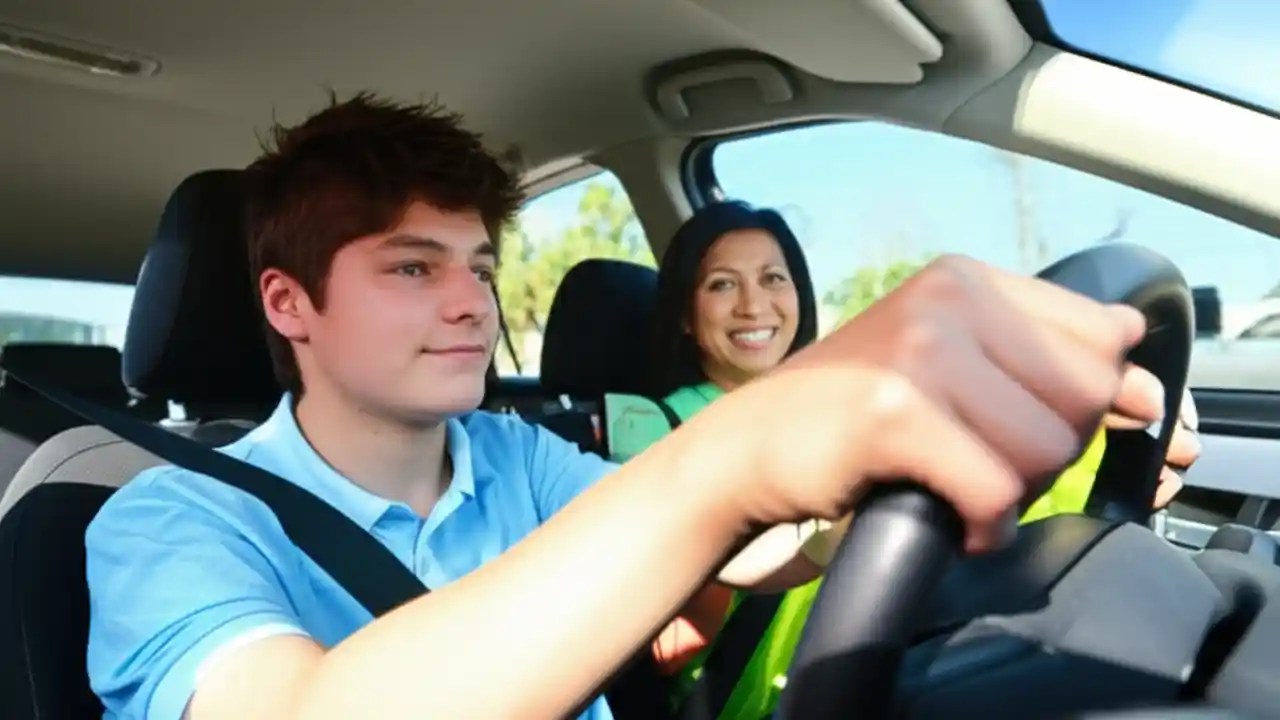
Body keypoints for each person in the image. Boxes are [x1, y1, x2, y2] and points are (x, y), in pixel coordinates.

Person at [84, 91, 1170, 720]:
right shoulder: (169, 521)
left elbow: (732, 554)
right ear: (290, 304)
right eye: (412, 270)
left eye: (476, 263)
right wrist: (727, 456)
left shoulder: (516, 458)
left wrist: (1012, 450)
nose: (472, 304)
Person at [615, 201, 1203, 719]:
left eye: (774, 277)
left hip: (901, 655)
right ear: (687, 316)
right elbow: (665, 650)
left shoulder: (846, 392)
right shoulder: (653, 431)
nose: (753, 304)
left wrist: (1100, 443)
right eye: (721, 284)